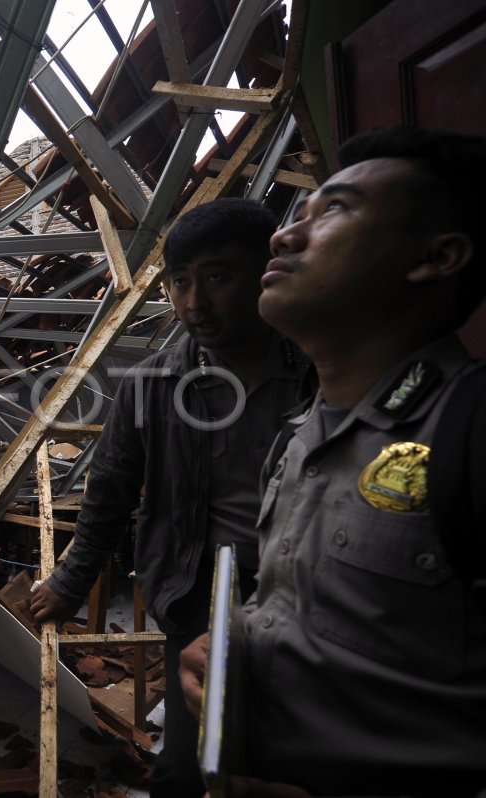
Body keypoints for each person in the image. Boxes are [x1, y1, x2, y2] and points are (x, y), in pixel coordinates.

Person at [180, 126, 486, 797]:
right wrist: (237, 650)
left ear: (437, 256)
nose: (284, 237)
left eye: (337, 210)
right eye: (299, 213)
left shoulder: (470, 430)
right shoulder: (302, 437)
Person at [30, 197, 312, 797]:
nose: (193, 302)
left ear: (266, 270)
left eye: (215, 277)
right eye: (179, 282)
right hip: (199, 590)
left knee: (292, 753)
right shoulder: (153, 384)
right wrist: (70, 581)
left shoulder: (321, 369)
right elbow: (108, 489)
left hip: (311, 594)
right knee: (188, 768)